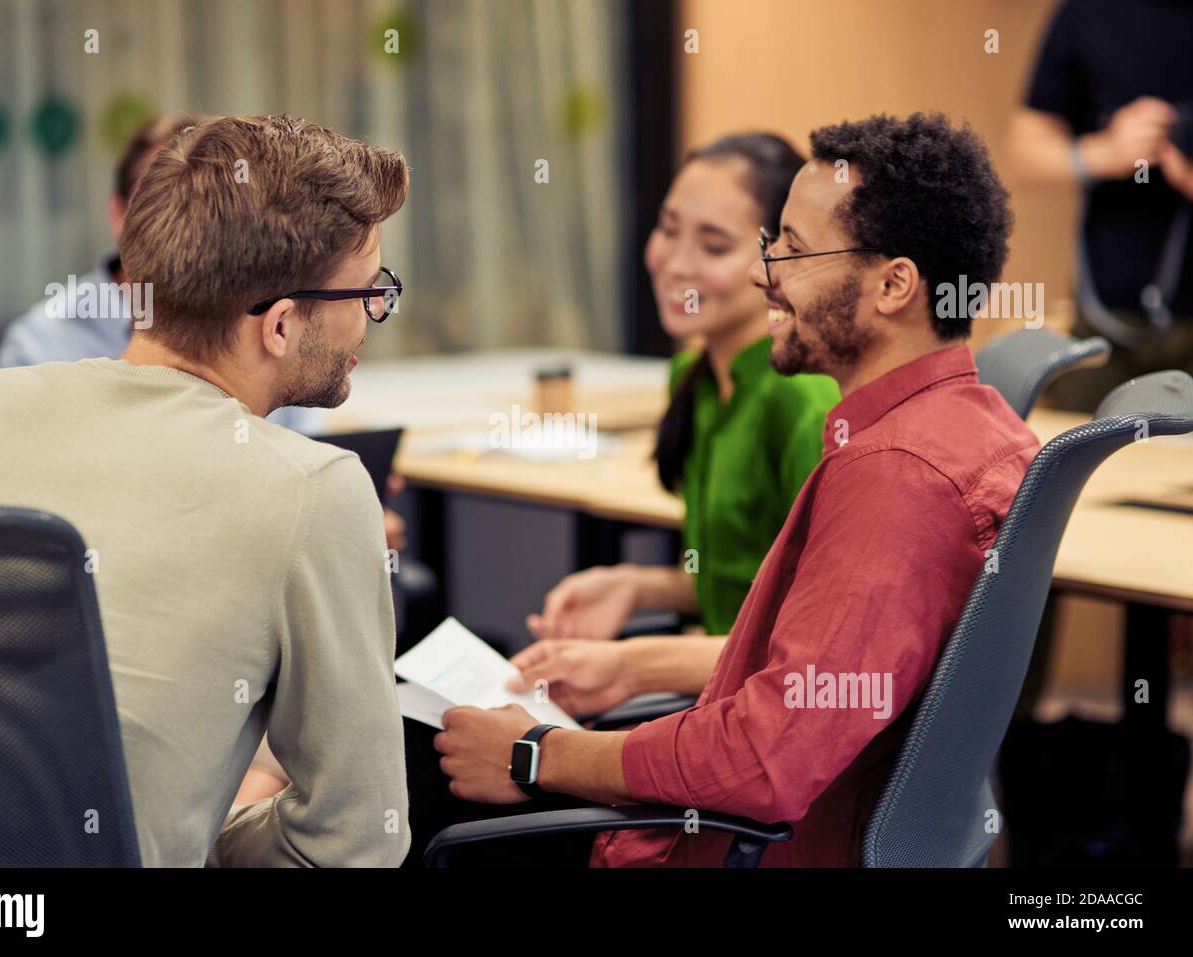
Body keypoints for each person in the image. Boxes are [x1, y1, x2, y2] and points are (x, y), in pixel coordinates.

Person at [427, 113, 1041, 867]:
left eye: (792, 248)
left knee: (425, 800)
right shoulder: (975, 428)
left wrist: (538, 755)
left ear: (894, 284)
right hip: (767, 823)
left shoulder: (897, 478)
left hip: (742, 845)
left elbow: (765, 758)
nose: (764, 273)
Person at [0, 114, 411, 867]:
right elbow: (358, 836)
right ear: (279, 325)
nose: (373, 319)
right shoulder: (314, 488)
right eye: (368, 294)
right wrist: (203, 839)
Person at [525, 134, 839, 645]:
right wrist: (635, 586)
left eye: (714, 246)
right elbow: (738, 580)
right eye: (668, 230)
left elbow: (821, 642)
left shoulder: (803, 397)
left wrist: (639, 665)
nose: (675, 263)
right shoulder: (693, 380)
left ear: (778, 258)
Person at [0, 111, 321, 435]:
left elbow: (301, 457)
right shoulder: (40, 343)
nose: (191, 223)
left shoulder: (273, 326)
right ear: (119, 214)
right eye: (161, 203)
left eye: (211, 204)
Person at [1006, 0, 1193, 412]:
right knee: (1089, 462)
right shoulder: (1087, 14)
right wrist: (1102, 153)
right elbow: (1022, 154)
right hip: (1105, 317)